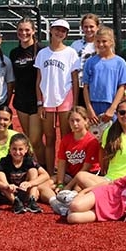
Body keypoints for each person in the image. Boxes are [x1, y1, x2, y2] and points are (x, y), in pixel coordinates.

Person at [74, 100, 126, 188]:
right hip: (111, 181)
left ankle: (109, 194)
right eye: (122, 112)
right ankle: (112, 193)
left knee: (82, 194)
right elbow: (103, 154)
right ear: (117, 114)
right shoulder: (109, 132)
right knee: (81, 176)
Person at [35, 18, 81, 173]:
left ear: (66, 34)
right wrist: (40, 102)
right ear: (51, 30)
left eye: (63, 31)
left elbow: (75, 79)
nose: (59, 33)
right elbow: (39, 79)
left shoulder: (71, 53)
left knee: (66, 137)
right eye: (57, 29)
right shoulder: (42, 53)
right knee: (49, 138)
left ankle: (66, 171)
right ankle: (49, 171)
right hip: (47, 99)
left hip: (65, 98)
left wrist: (75, 101)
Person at [0, 133, 55, 214]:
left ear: (26, 149)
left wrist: (29, 183)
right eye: (14, 149)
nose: (17, 152)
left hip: (25, 191)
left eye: (20, 149)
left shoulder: (28, 160)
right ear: (10, 149)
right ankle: (15, 202)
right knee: (0, 174)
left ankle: (31, 200)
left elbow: (46, 175)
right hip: (10, 193)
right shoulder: (5, 161)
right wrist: (6, 185)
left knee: (33, 171)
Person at [82, 26, 126, 123]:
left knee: (113, 136)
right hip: (94, 105)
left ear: (111, 42)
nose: (101, 44)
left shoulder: (120, 62)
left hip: (112, 106)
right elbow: (86, 87)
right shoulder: (90, 62)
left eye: (104, 41)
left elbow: (122, 87)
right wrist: (89, 109)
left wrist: (112, 108)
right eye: (98, 41)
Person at [10, 17, 44, 139]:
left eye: (27, 30)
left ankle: (41, 159)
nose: (24, 33)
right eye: (20, 30)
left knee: (35, 140)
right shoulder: (14, 53)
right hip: (21, 100)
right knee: (28, 138)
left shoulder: (41, 50)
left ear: (34, 31)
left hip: (36, 101)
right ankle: (33, 159)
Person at [53, 107, 101, 192]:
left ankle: (68, 200)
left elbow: (86, 168)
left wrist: (68, 186)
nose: (75, 124)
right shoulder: (66, 139)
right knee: (47, 183)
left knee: (77, 189)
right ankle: (53, 200)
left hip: (87, 174)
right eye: (72, 121)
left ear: (86, 120)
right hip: (72, 173)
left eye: (78, 120)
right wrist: (60, 184)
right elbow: (62, 163)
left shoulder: (91, 141)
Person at [72, 13, 100, 107]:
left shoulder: (102, 45)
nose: (88, 29)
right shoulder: (75, 45)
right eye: (85, 27)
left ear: (97, 27)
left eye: (91, 26)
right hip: (79, 87)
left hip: (96, 87)